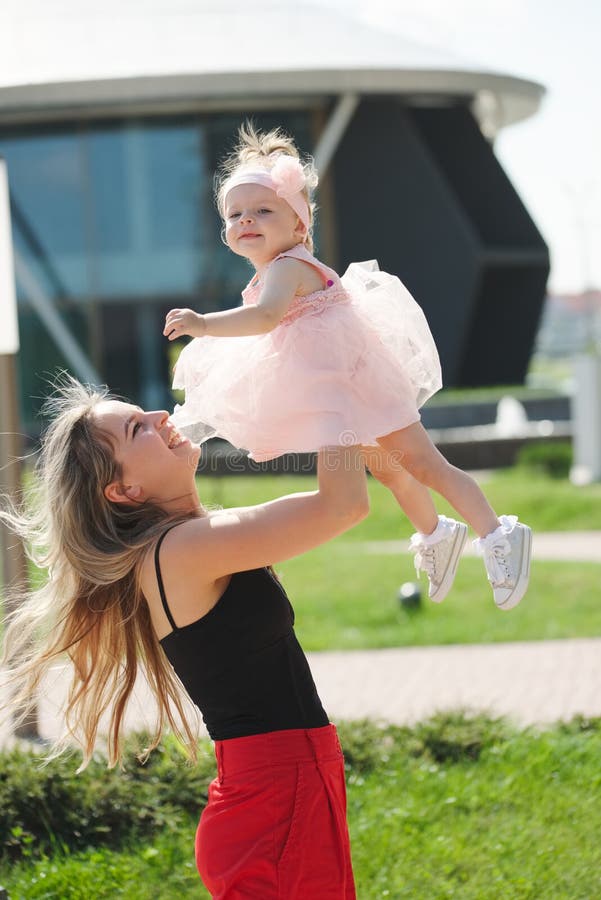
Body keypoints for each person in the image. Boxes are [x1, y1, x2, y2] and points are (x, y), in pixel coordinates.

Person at [0, 377, 366, 898]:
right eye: (138, 428)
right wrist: (332, 380)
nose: (160, 417)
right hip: (276, 801)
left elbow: (341, 497)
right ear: (125, 491)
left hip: (286, 790)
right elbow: (343, 506)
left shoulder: (195, 537)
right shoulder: (181, 551)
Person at [164, 123, 532, 611]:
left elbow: (267, 318)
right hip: (336, 393)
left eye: (263, 210)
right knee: (391, 471)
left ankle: (498, 533)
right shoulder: (268, 275)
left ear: (298, 225)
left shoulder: (288, 268)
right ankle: (437, 532)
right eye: (235, 215)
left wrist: (204, 324)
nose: (246, 220)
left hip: (358, 383)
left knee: (422, 463)